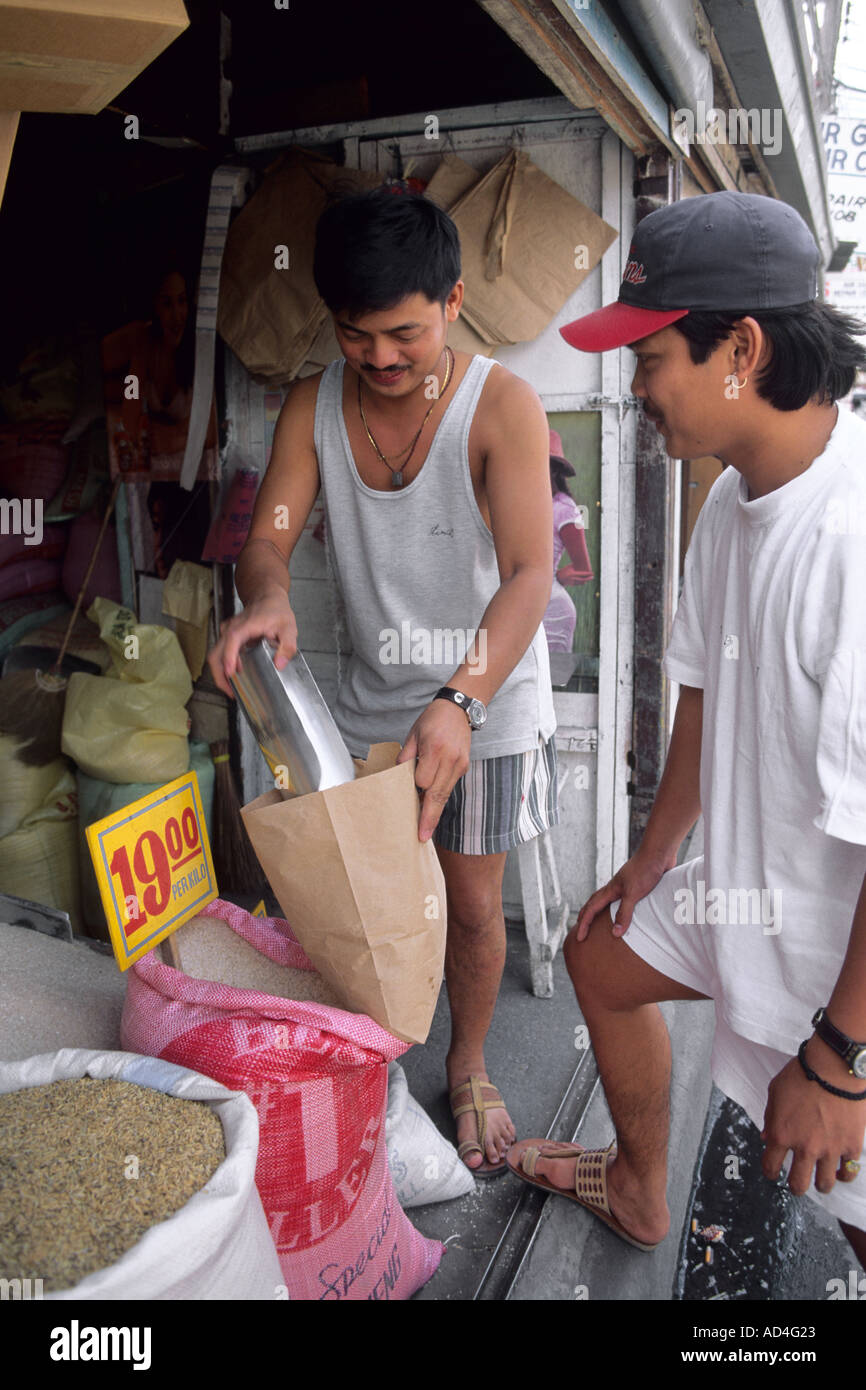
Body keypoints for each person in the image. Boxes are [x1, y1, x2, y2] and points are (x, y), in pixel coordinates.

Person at [506, 191, 866, 1267]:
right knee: (600, 957)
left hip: (842, 975)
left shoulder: (849, 541)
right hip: (748, 897)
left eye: (647, 357)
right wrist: (654, 854)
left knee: (844, 1221)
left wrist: (840, 1058)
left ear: (740, 349)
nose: (632, 391)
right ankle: (634, 1189)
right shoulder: (729, 500)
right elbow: (703, 695)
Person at [208, 188, 558, 1177]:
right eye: (357, 336)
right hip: (366, 701)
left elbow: (532, 571)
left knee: (473, 905)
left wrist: (460, 699)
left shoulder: (500, 405)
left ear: (450, 303)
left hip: (482, 698)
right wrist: (268, 593)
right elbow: (267, 539)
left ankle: (471, 1059)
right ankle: (367, 1061)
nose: (382, 358)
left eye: (403, 333)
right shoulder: (315, 405)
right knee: (355, 900)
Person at [543, 427, 593, 653]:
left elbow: (584, 570)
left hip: (552, 612)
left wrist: (557, 577)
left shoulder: (564, 509)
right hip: (522, 604)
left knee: (552, 683)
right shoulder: (521, 503)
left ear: (554, 470)